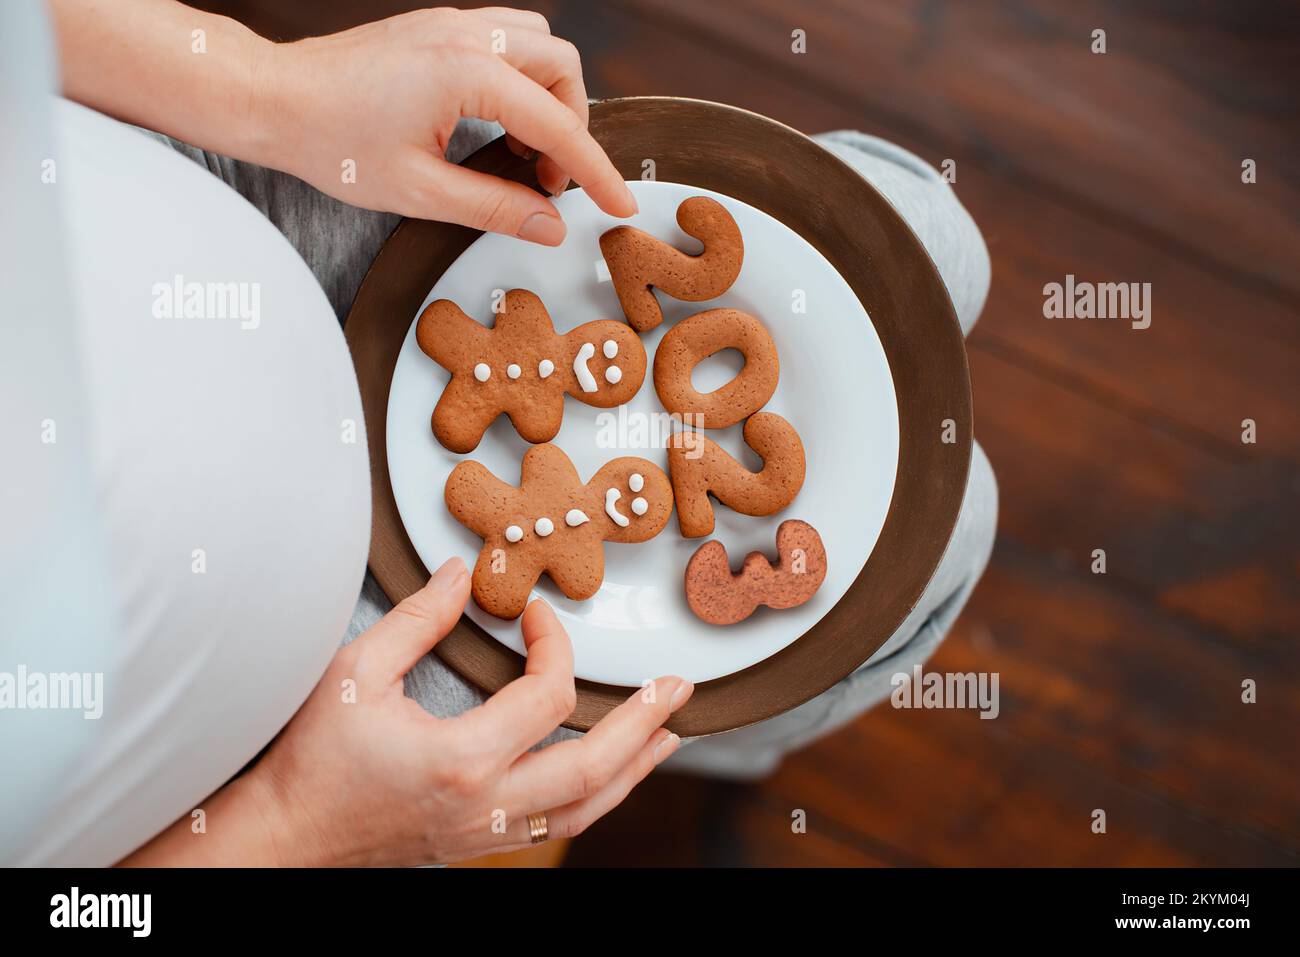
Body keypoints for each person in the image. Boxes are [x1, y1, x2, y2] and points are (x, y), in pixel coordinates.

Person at [0, 0, 996, 866]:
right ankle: (726, 738)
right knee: (953, 526)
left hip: (225, 190)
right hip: (296, 708)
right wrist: (298, 827)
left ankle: (723, 730)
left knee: (933, 239)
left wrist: (274, 84)